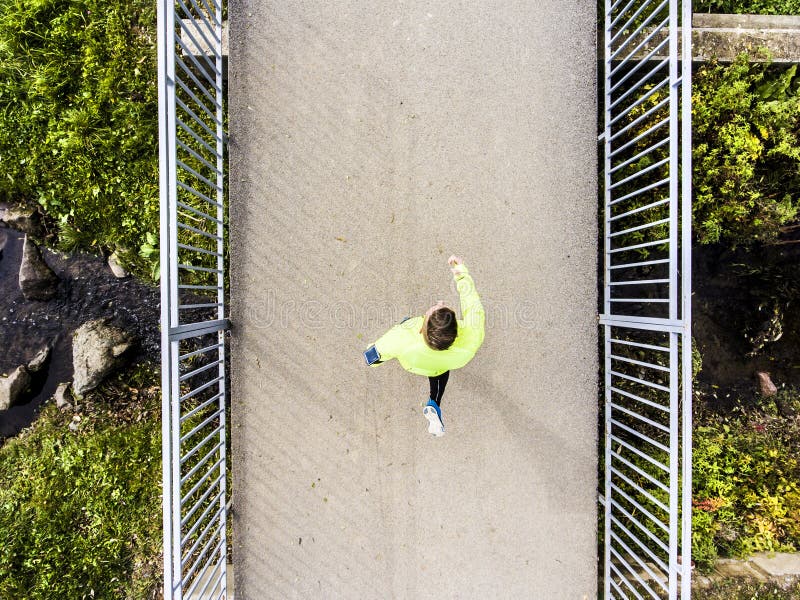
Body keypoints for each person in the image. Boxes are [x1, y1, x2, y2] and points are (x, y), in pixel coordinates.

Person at [365, 255, 485, 437]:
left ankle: (435, 403)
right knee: (440, 371)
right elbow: (472, 302)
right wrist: (461, 274)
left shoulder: (403, 336)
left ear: (423, 328)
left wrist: (375, 356)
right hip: (449, 361)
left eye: (435, 309)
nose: (440, 303)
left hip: (415, 362)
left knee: (433, 365)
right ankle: (434, 402)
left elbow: (375, 355)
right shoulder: (472, 334)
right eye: (441, 307)